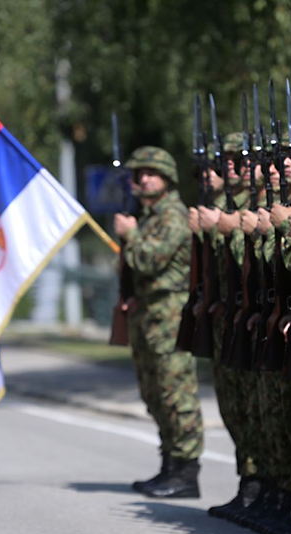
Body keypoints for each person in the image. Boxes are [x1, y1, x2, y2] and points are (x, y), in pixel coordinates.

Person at [115, 146, 204, 499]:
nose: (144, 179)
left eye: (152, 172)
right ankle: (169, 462)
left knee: (175, 392)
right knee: (154, 393)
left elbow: (150, 261)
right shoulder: (149, 216)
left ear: (167, 178)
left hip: (170, 315)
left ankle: (186, 470)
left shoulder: (172, 216)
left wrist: (130, 235)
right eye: (139, 174)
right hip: (149, 314)